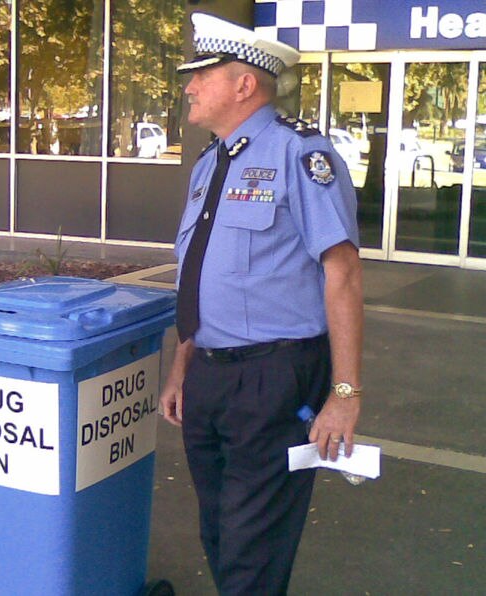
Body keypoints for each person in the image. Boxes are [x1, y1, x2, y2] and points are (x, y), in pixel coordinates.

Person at [159, 13, 364, 595]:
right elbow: (202, 274)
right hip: (209, 377)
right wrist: (182, 365)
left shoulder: (301, 155)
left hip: (274, 377)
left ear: (244, 83)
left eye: (201, 75)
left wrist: (345, 394)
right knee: (220, 534)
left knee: (255, 547)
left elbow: (343, 273)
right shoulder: (209, 164)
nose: (189, 87)